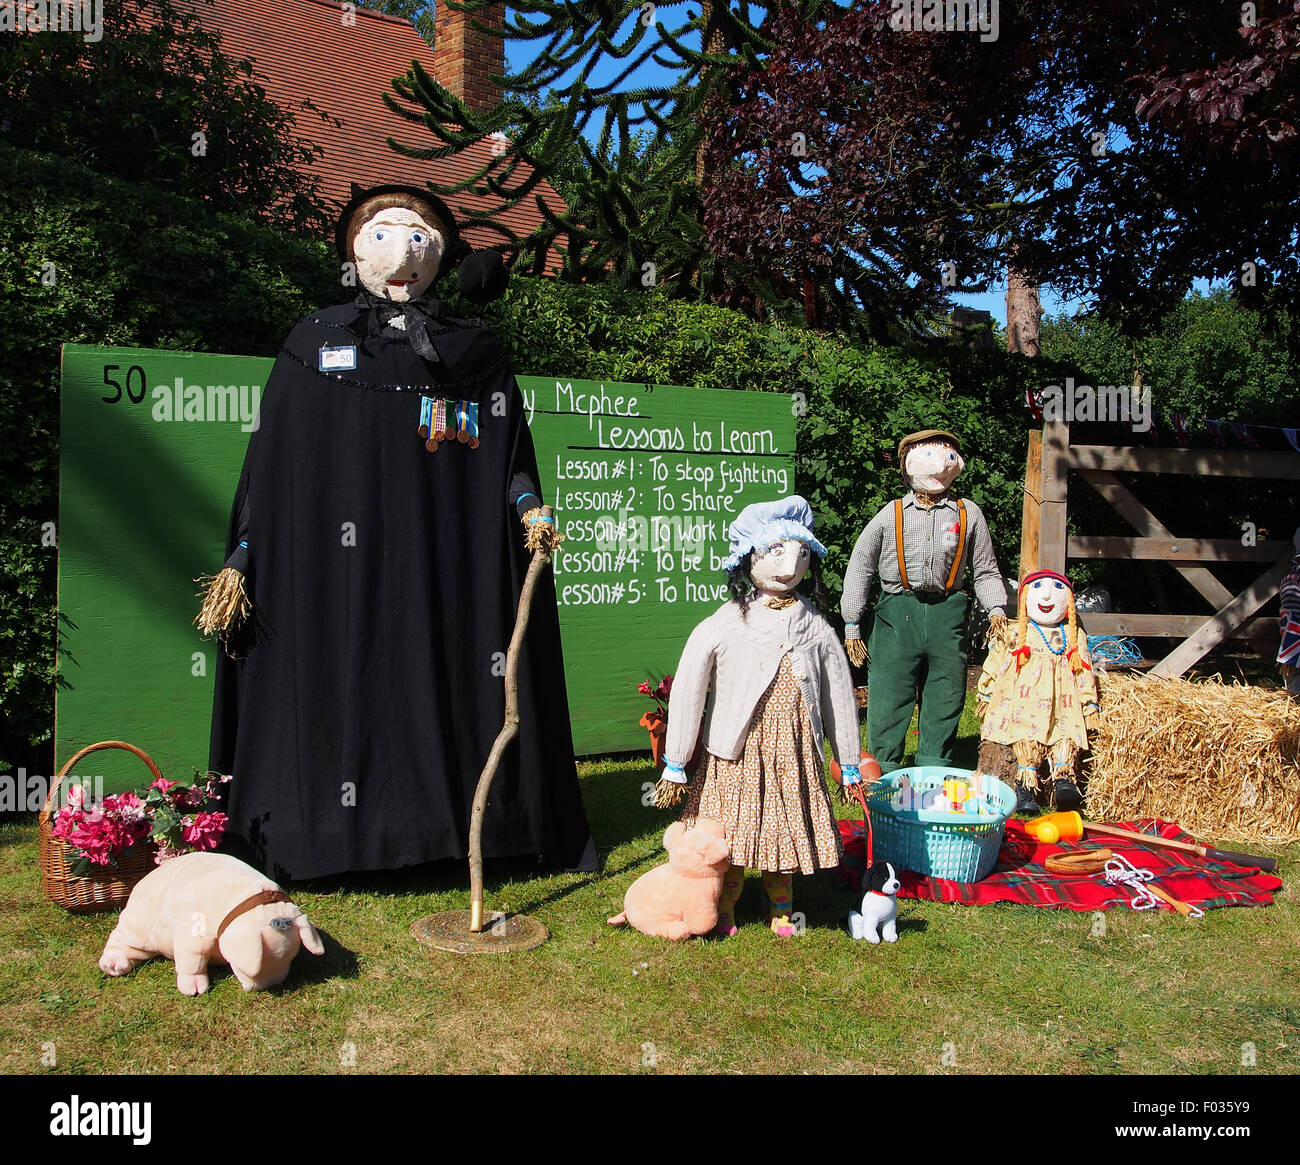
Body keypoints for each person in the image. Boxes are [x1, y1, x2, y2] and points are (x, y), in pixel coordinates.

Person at [197, 183, 596, 881]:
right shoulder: (312, 344)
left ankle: (458, 828)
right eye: (381, 231)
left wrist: (528, 505)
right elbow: (274, 465)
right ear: (353, 248)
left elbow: (506, 454)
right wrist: (249, 549)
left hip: (440, 565)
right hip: (331, 573)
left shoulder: (472, 353)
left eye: (419, 235)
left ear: (442, 253)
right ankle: (324, 833)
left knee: (446, 666)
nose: (402, 249)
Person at [655, 497, 861, 937]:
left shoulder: (814, 625)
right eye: (775, 552)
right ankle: (724, 906)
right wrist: (676, 761)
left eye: (801, 552)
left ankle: (781, 907)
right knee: (727, 832)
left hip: (793, 747)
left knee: (781, 829)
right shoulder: (728, 621)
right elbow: (691, 683)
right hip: (738, 752)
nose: (790, 564)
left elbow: (839, 694)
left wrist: (848, 762)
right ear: (749, 556)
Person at [841, 429, 1008, 772]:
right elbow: (860, 566)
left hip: (948, 613)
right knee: (888, 693)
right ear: (907, 466)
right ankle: (882, 769)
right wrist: (852, 622)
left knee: (946, 692)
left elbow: (986, 569)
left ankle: (935, 767)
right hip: (896, 614)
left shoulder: (967, 514)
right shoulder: (892, 514)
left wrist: (997, 611)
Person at [974, 569, 1099, 812]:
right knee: (1025, 737)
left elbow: (1084, 668)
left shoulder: (1073, 637)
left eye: (1056, 592)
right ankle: (1025, 787)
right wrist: (986, 691)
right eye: (1039, 591)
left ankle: (1064, 779)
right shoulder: (1014, 632)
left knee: (1066, 735)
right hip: (1025, 702)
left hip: (1062, 702)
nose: (1046, 598)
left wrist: (1087, 701)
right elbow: (995, 662)